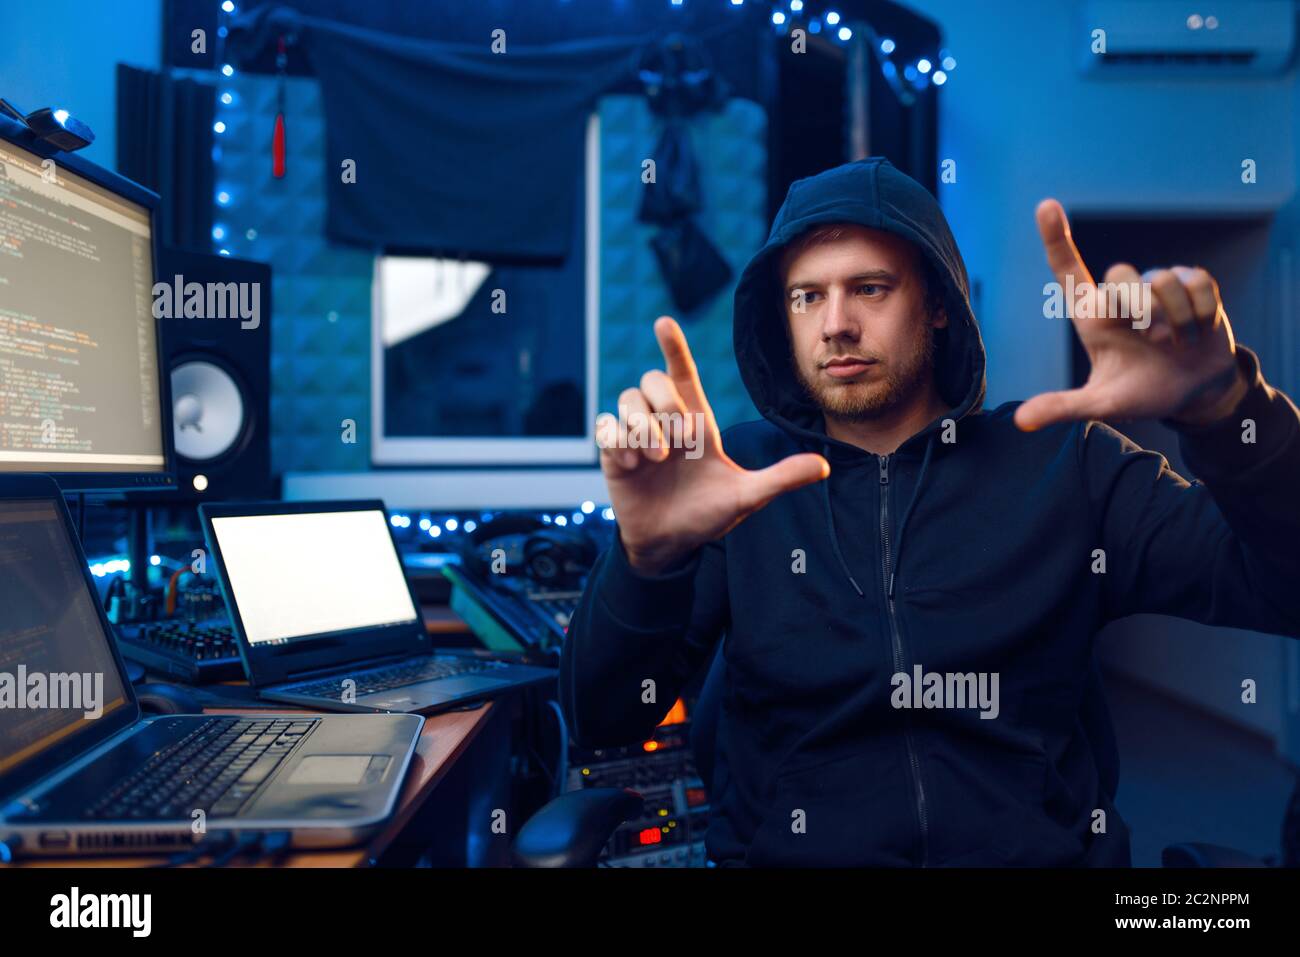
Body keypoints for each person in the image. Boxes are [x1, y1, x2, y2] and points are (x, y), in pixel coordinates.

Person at [561, 158, 1300, 866]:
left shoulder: (1065, 463)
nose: (835, 324)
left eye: (871, 288)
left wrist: (1227, 413)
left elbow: (1281, 585)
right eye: (806, 296)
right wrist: (645, 561)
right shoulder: (739, 478)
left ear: (939, 304)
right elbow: (603, 719)